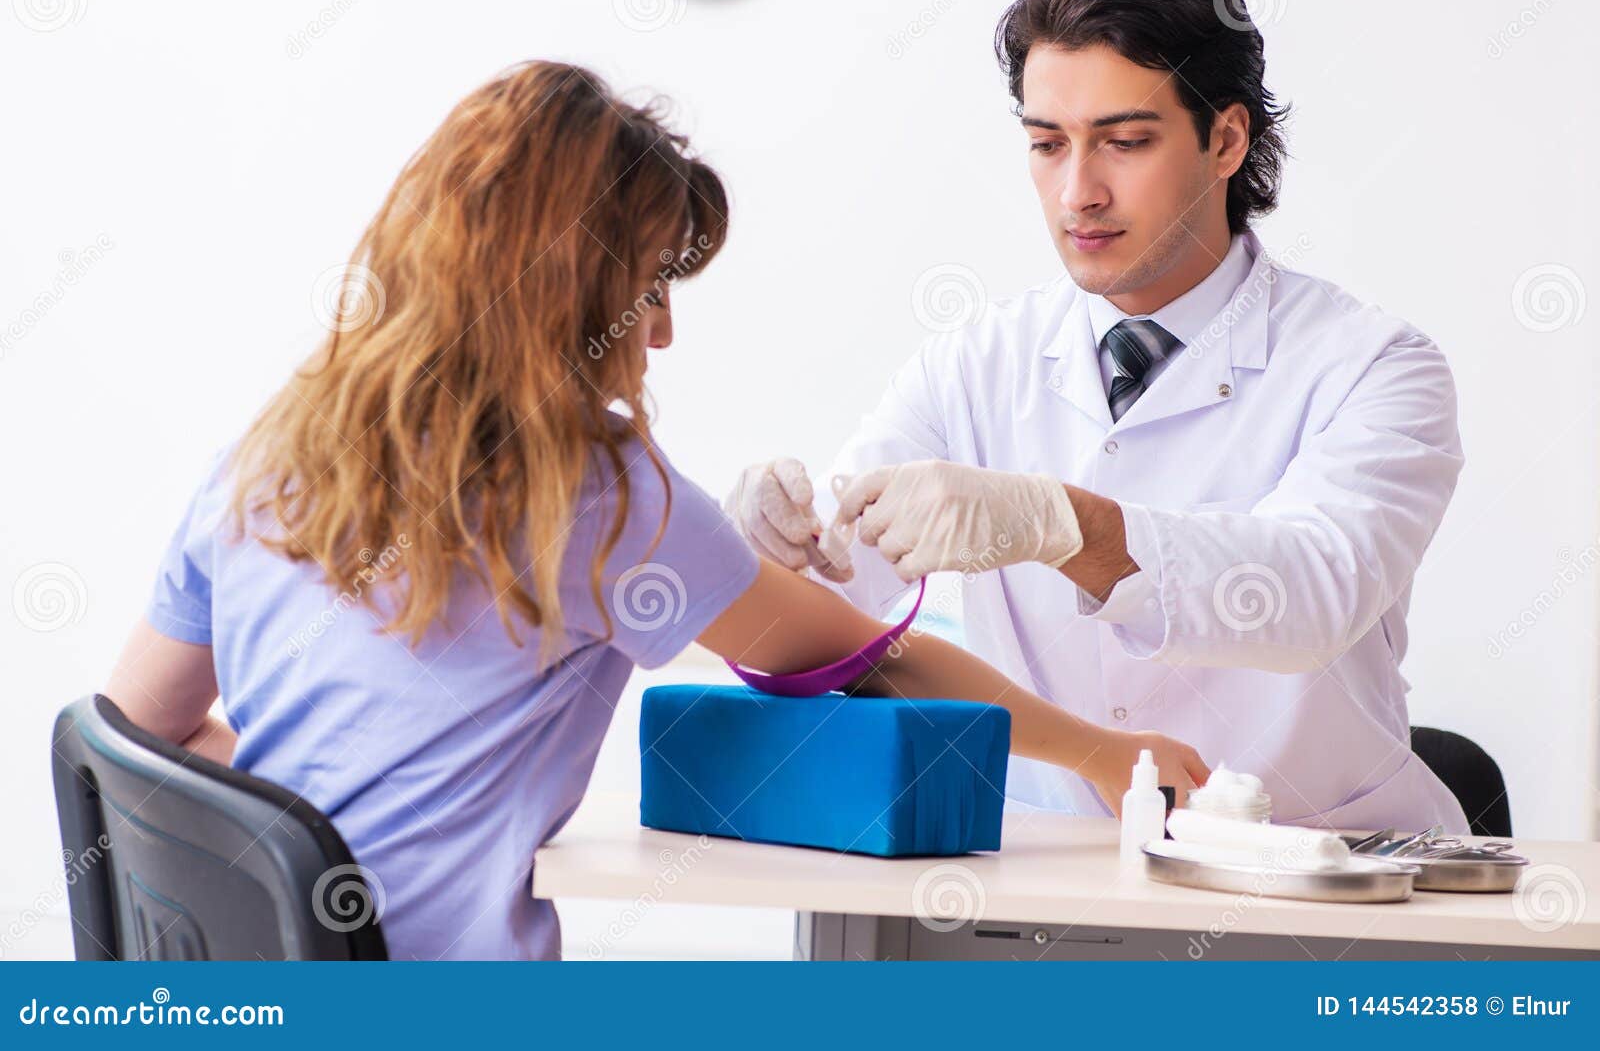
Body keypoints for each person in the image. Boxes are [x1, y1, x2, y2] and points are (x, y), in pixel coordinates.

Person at [105, 61, 1208, 961]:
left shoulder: (265, 460)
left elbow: (135, 738)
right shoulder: (590, 490)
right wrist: (1104, 753)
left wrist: (302, 822)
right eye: (647, 286)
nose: (663, 330)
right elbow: (875, 660)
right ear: (563, 293)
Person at [727, 0, 1470, 833]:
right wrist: (767, 555)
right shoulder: (972, 365)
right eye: (1048, 145)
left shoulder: (1375, 364)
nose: (1078, 192)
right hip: (1053, 870)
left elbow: (1311, 593)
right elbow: (833, 606)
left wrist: (1066, 524)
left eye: (1125, 142)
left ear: (1226, 140)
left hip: (1317, 865)